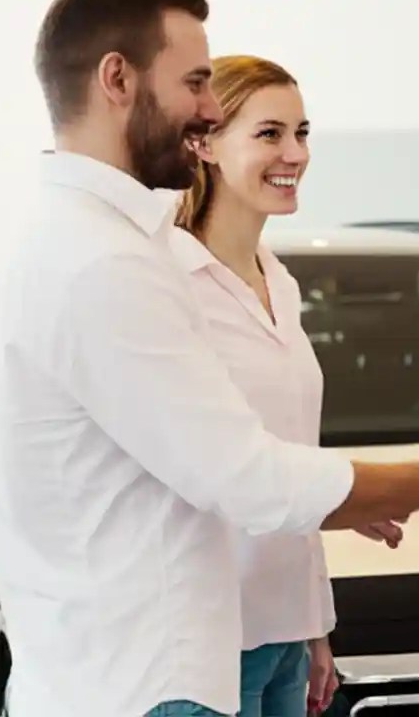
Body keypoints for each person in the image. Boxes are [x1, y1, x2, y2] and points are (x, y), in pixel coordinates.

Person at [0, 0, 419, 716]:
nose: (204, 109)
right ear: (118, 79)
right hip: (146, 682)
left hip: (147, 665)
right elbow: (247, 475)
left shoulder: (83, 245)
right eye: (195, 82)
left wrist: (321, 577)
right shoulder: (107, 264)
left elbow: (235, 461)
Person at [168, 55, 402, 717]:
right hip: (208, 644)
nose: (294, 153)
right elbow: (219, 470)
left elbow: (291, 451)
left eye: (302, 133)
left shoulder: (280, 279)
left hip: (283, 635)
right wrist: (346, 495)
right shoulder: (168, 283)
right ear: (205, 142)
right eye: (269, 134)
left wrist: (314, 626)